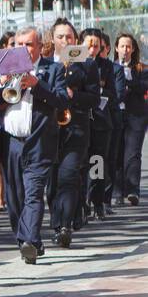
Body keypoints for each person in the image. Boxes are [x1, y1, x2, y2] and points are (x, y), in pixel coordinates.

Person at [0, 26, 68, 264]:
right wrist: (1, 84)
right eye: (18, 44)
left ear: (40, 46)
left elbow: (62, 99)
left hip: (39, 143)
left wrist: (37, 85)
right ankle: (29, 242)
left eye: (28, 44)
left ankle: (30, 239)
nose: (23, 49)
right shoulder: (6, 68)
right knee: (15, 198)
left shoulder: (54, 69)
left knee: (33, 194)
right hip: (11, 143)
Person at [48, 18, 100, 247]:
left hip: (76, 127)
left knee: (68, 176)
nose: (65, 40)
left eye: (69, 37)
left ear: (75, 40)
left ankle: (64, 225)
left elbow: (95, 99)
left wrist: (73, 96)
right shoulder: (47, 63)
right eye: (60, 36)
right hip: (48, 130)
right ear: (53, 40)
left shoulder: (86, 64)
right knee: (52, 181)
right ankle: (59, 219)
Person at [83, 27, 124, 219]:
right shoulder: (73, 63)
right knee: (80, 165)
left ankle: (98, 202)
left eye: (96, 46)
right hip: (80, 124)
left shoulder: (108, 67)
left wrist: (96, 92)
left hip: (100, 124)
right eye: (88, 45)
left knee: (97, 164)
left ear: (102, 47)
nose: (92, 50)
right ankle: (81, 204)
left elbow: (113, 95)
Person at [115, 33, 146, 205]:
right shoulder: (111, 67)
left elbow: (143, 87)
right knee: (118, 153)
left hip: (136, 117)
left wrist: (127, 79)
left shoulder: (142, 69)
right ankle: (118, 192)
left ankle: (132, 190)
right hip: (116, 115)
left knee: (133, 154)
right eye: (122, 46)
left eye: (128, 47)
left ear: (133, 49)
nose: (125, 50)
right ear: (116, 48)